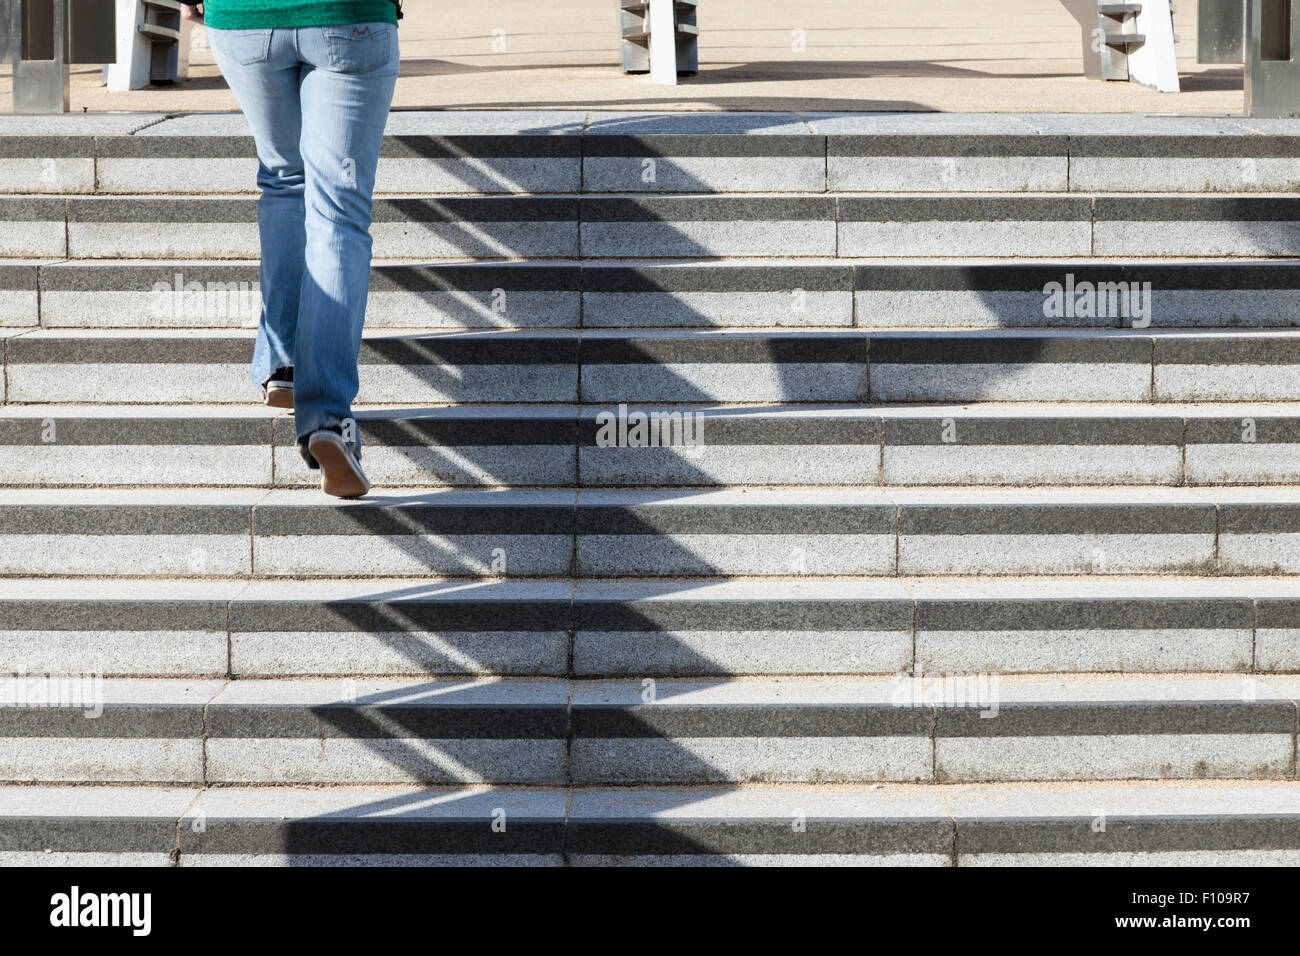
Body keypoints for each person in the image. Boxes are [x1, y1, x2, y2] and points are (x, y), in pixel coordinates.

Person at [180, 1, 402, 497]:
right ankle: (326, 416)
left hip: (245, 19)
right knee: (338, 214)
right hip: (348, 16)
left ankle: (283, 363)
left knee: (282, 181)